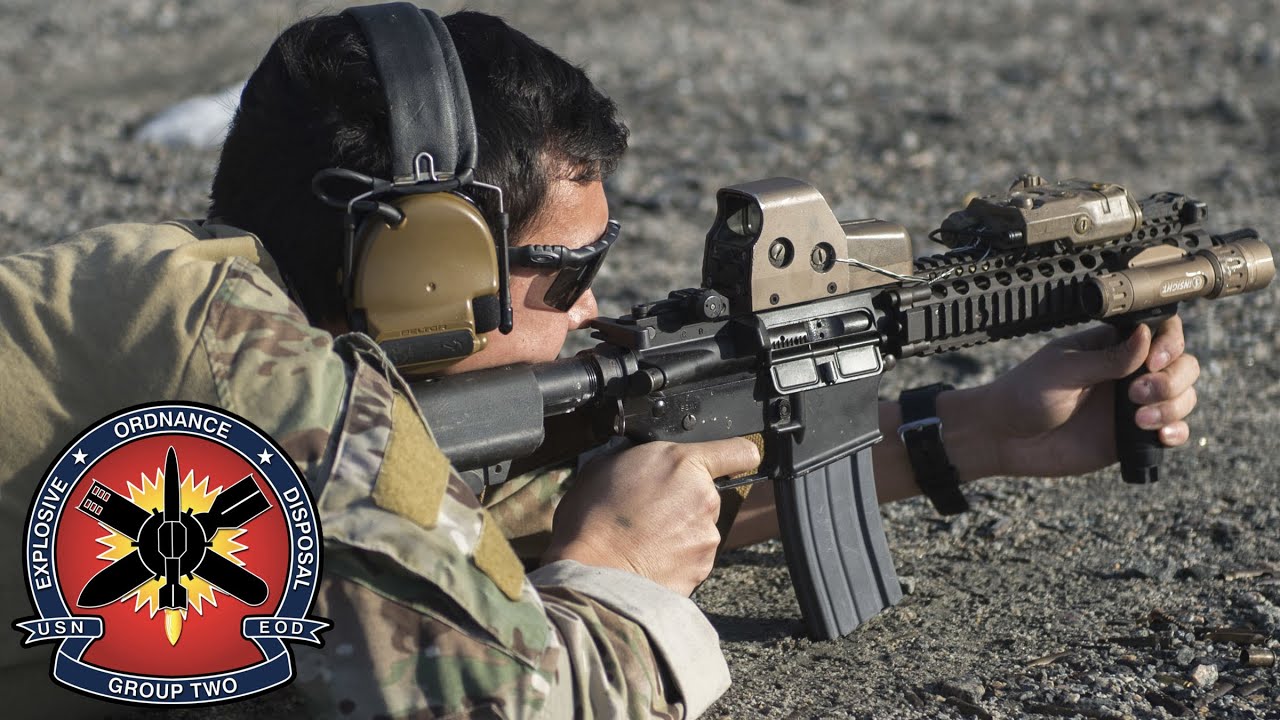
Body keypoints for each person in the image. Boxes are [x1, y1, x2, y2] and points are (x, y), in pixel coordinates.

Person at [0, 7, 1199, 720]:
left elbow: (458, 521)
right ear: (423, 264)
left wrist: (974, 430)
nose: (590, 312)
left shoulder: (209, 310)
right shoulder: (261, 369)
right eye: (562, 276)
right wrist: (610, 573)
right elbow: (500, 694)